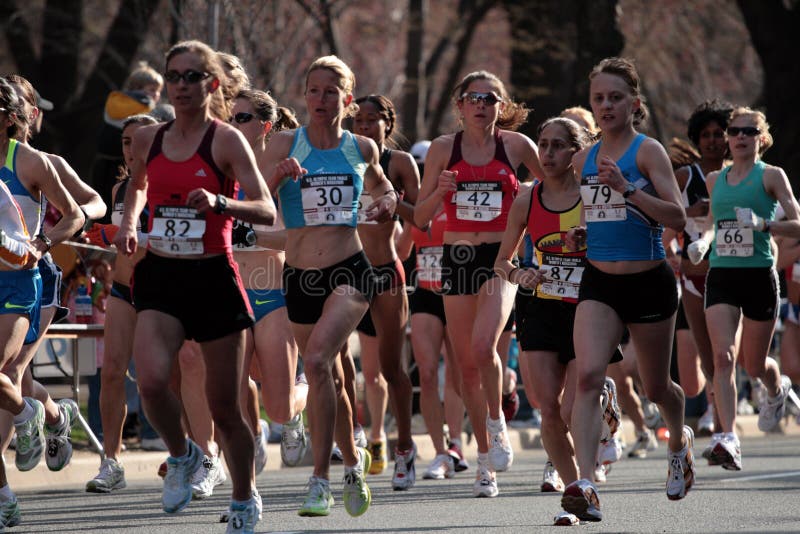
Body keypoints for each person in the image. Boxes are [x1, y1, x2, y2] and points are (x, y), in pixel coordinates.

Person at [113, 40, 275, 533]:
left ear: (212, 84)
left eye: (191, 77)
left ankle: (245, 499)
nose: (181, 85)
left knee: (226, 408)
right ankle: (184, 455)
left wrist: (223, 205)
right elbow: (139, 186)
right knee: (154, 380)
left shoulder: (226, 141)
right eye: (174, 76)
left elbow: (265, 208)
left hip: (212, 276)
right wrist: (130, 223)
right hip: (161, 272)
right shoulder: (149, 139)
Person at [261, 55, 396, 517]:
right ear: (304, 97)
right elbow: (256, 197)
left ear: (349, 100)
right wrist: (279, 176)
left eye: (331, 90)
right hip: (299, 276)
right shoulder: (282, 143)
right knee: (331, 377)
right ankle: (354, 463)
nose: (321, 99)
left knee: (316, 361)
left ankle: (320, 481)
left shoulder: (362, 147)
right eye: (314, 90)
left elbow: (383, 189)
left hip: (351, 270)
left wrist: (387, 204)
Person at [560, 57, 693, 522]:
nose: (606, 105)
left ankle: (678, 442)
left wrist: (628, 189)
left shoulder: (647, 151)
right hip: (598, 282)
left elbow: (677, 217)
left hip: (648, 282)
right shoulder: (583, 159)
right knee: (589, 376)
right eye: (598, 98)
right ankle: (586, 484)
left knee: (657, 387)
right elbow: (597, 215)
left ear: (634, 104)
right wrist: (582, 234)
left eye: (615, 97)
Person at [415, 70, 542, 497]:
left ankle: (497, 421)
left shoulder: (517, 146)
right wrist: (440, 191)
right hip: (458, 256)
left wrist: (527, 196)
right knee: (466, 365)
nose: (481, 104)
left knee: (485, 345)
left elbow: (553, 187)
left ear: (501, 107)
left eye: (490, 98)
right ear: (461, 105)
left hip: (499, 257)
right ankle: (484, 462)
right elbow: (419, 216)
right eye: (473, 97)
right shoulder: (443, 149)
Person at [0, 74, 105, 481]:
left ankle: (4, 490)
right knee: (17, 380)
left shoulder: (40, 162)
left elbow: (89, 204)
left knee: (11, 374)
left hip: (31, 274)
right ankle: (55, 415)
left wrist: (45, 241)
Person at [687, 107, 798, 470]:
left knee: (754, 365)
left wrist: (765, 225)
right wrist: (703, 242)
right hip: (722, 274)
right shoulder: (715, 180)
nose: (738, 137)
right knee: (723, 357)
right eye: (733, 131)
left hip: (758, 276)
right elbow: (711, 223)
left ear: (760, 139)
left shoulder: (772, 176)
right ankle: (728, 437)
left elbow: (797, 223)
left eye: (747, 131)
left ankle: (775, 387)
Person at [494, 116, 590, 501]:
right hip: (540, 309)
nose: (547, 153)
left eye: (558, 145)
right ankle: (575, 489)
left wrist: (591, 238)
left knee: (573, 405)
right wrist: (520, 276)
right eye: (543, 144)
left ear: (576, 152)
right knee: (547, 409)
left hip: (589, 309)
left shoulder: (592, 194)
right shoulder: (527, 199)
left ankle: (586, 473)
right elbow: (503, 260)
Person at [229, 88, 309, 470]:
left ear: (265, 126)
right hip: (230, 290)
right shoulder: (222, 168)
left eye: (241, 118)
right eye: (229, 118)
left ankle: (298, 401)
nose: (233, 125)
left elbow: (300, 237)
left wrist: (250, 236)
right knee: (237, 379)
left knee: (278, 402)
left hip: (272, 291)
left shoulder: (288, 171)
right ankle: (251, 432)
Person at [83, 113, 158, 493]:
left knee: (166, 378)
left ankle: (197, 453)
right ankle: (110, 462)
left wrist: (127, 234)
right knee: (111, 372)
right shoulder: (119, 190)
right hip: (124, 292)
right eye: (127, 142)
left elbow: (170, 239)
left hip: (164, 292)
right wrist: (102, 244)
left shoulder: (166, 185)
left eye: (140, 140)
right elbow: (119, 244)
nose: (132, 149)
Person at [352, 94, 418, 484]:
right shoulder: (340, 159)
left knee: (392, 368)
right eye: (357, 121)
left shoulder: (401, 163)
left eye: (372, 120)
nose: (364, 127)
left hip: (385, 272)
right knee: (335, 362)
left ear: (387, 125)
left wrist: (396, 206)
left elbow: (424, 217)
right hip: (342, 272)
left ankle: (405, 448)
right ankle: (354, 442)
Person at [673, 100, 732, 437]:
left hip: (735, 271)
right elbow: (664, 221)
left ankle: (726, 428)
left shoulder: (744, 175)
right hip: (694, 274)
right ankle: (723, 425)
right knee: (710, 358)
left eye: (719, 133)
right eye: (706, 134)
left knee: (727, 354)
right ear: (696, 138)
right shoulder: (685, 176)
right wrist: (691, 212)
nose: (713, 140)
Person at [90, 62, 162, 223]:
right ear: (138, 87)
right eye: (153, 90)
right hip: (126, 163)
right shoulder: (146, 107)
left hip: (102, 162)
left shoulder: (114, 102)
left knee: (105, 208)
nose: (156, 95)